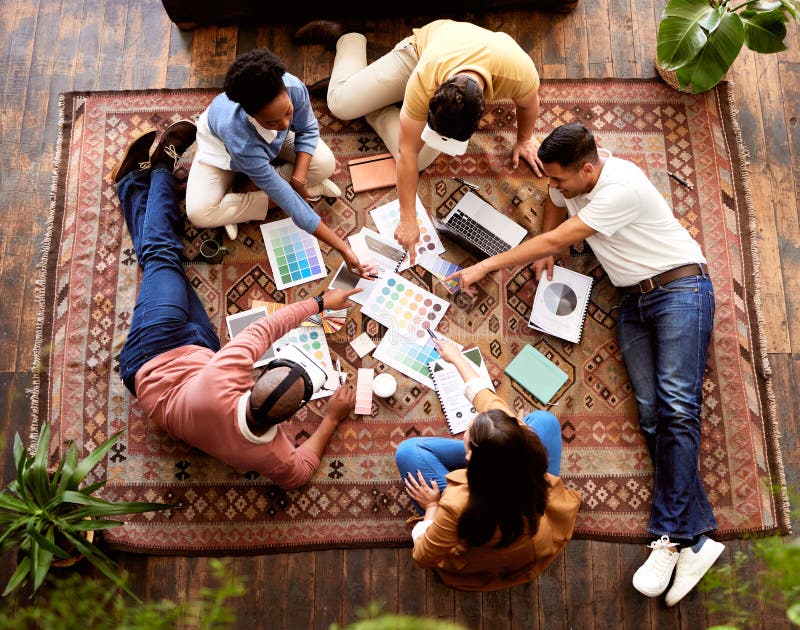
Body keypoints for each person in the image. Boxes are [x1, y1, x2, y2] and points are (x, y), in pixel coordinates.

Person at [449, 121, 725, 605]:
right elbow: (555, 211)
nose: (550, 187)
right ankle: (697, 539)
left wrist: (487, 265)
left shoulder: (620, 189)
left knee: (679, 408)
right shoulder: (576, 178)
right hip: (634, 302)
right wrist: (545, 240)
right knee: (654, 415)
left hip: (682, 288)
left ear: (589, 169)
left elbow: (567, 226)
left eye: (558, 178)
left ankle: (668, 537)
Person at [113, 122, 363, 490]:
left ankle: (151, 175)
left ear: (254, 380)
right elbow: (300, 472)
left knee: (162, 257)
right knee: (165, 262)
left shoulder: (226, 374)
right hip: (198, 359)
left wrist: (322, 301)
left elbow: (266, 329)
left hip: (151, 356)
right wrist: (331, 419)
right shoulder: (272, 454)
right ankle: (141, 178)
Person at [293, 18, 545, 263]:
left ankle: (373, 100)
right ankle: (350, 35)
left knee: (423, 160)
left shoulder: (518, 71)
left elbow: (529, 103)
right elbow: (406, 153)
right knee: (340, 104)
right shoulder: (423, 80)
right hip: (416, 55)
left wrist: (524, 139)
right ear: (432, 99)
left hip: (460, 61)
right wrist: (407, 218)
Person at [395, 337, 581, 591]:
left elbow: (424, 556)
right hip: (533, 526)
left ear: (471, 459)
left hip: (483, 549)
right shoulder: (525, 441)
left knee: (408, 452)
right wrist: (457, 359)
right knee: (545, 421)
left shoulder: (457, 504)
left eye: (467, 436)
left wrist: (432, 506)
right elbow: (485, 396)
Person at [186, 47, 368, 278]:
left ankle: (237, 205)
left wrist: (299, 179)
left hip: (265, 150)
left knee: (325, 164)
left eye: (288, 112)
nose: (284, 124)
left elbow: (308, 129)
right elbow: (291, 204)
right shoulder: (242, 142)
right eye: (272, 122)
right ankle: (240, 192)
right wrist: (344, 249)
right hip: (224, 153)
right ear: (251, 114)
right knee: (199, 213)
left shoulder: (291, 85)